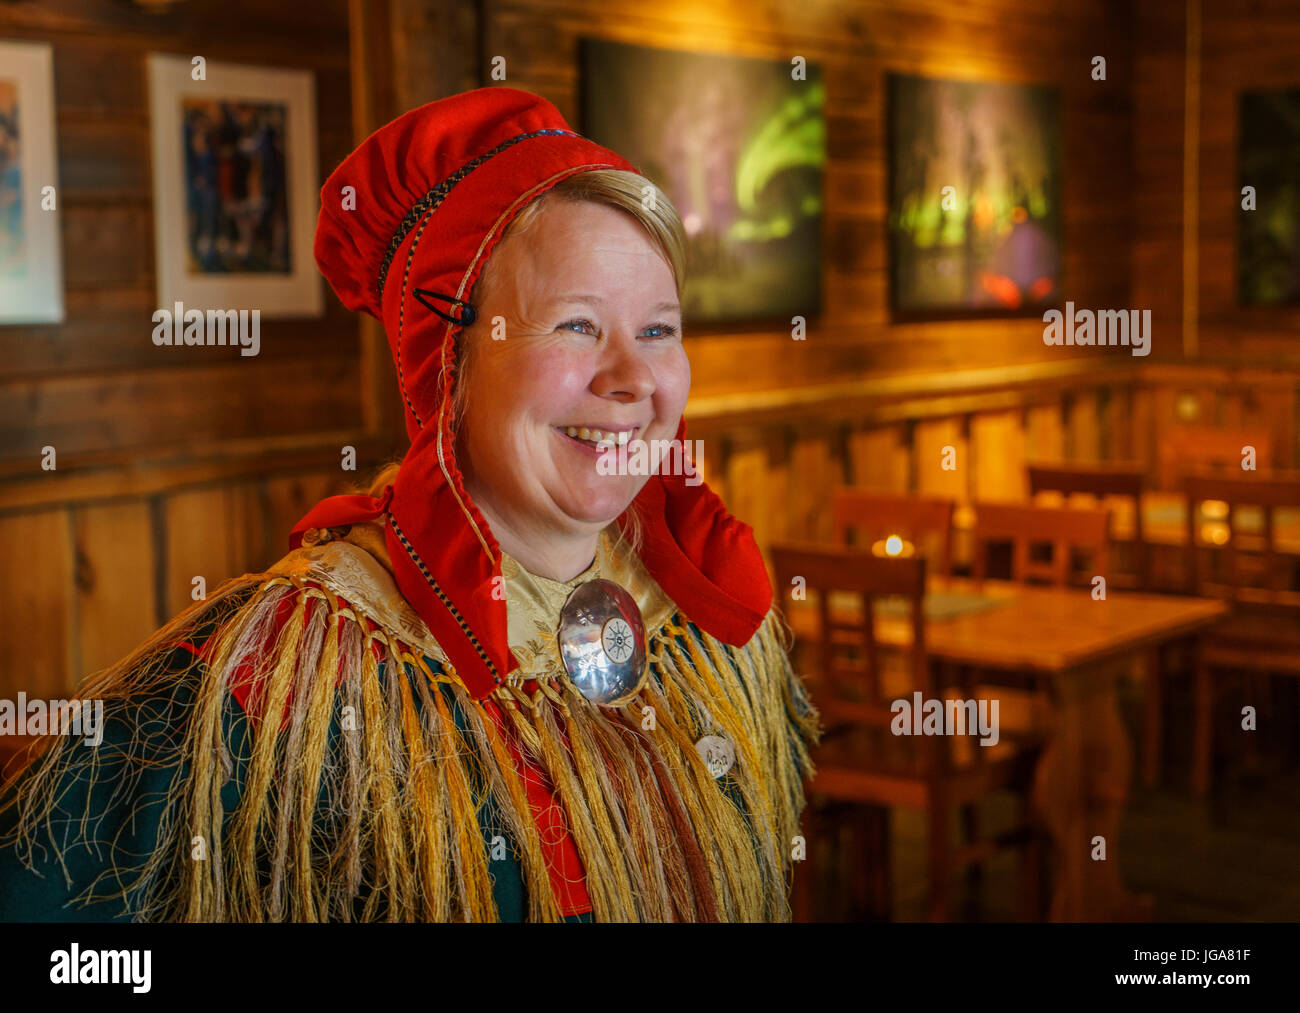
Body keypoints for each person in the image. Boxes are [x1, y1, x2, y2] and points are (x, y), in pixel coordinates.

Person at [0, 86, 820, 922]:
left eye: (658, 330)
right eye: (576, 326)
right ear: (447, 365)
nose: (633, 380)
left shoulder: (714, 636)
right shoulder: (281, 682)